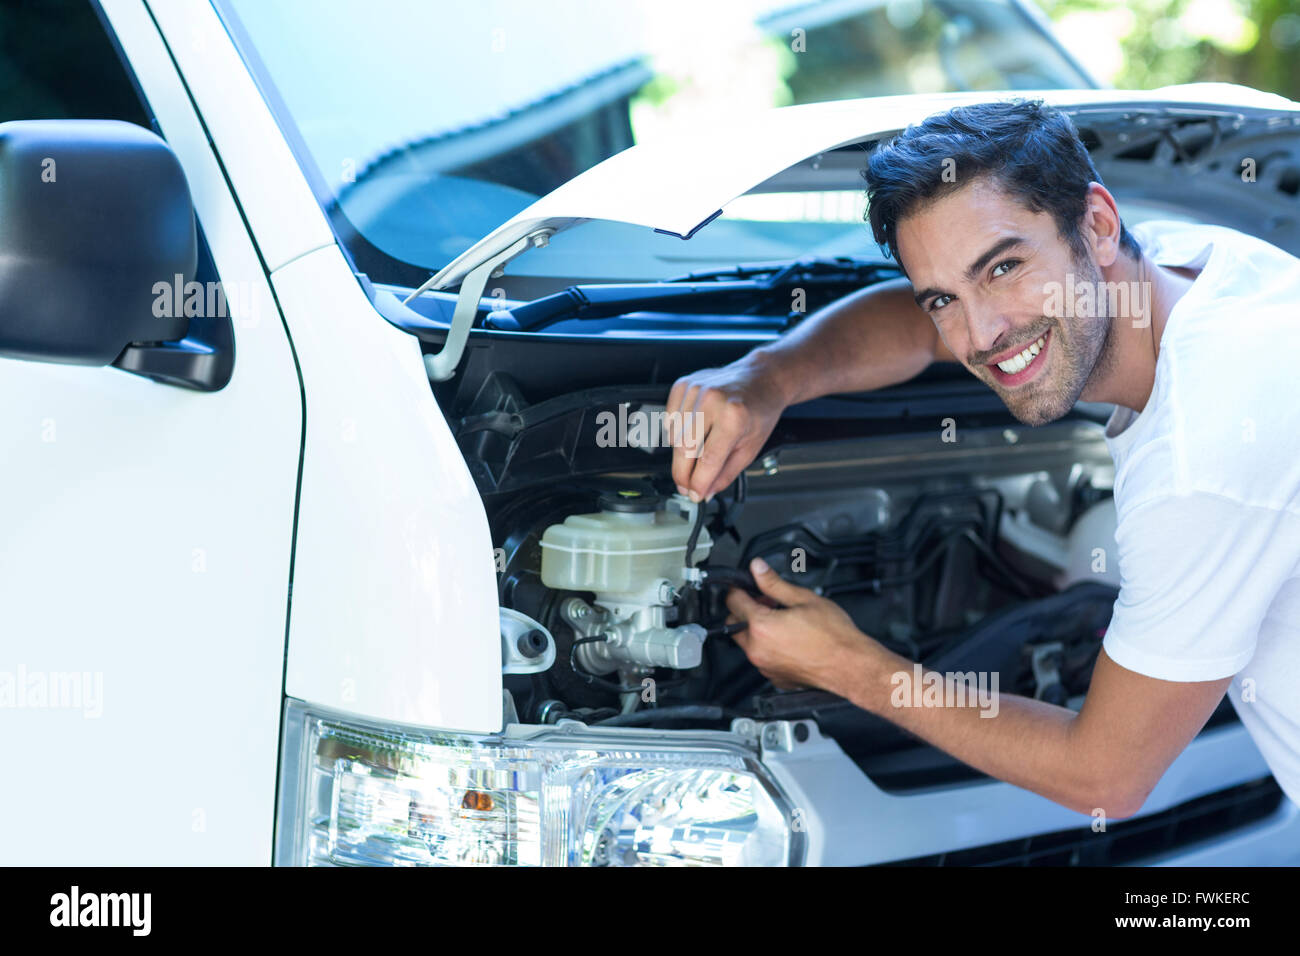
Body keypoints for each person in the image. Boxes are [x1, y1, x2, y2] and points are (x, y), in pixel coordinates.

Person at [666, 99, 1300, 817]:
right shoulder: (1193, 267)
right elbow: (918, 331)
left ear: (1096, 223)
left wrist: (849, 666)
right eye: (944, 297)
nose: (982, 334)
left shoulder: (1204, 451)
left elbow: (1104, 777)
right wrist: (769, 377)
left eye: (1002, 268)